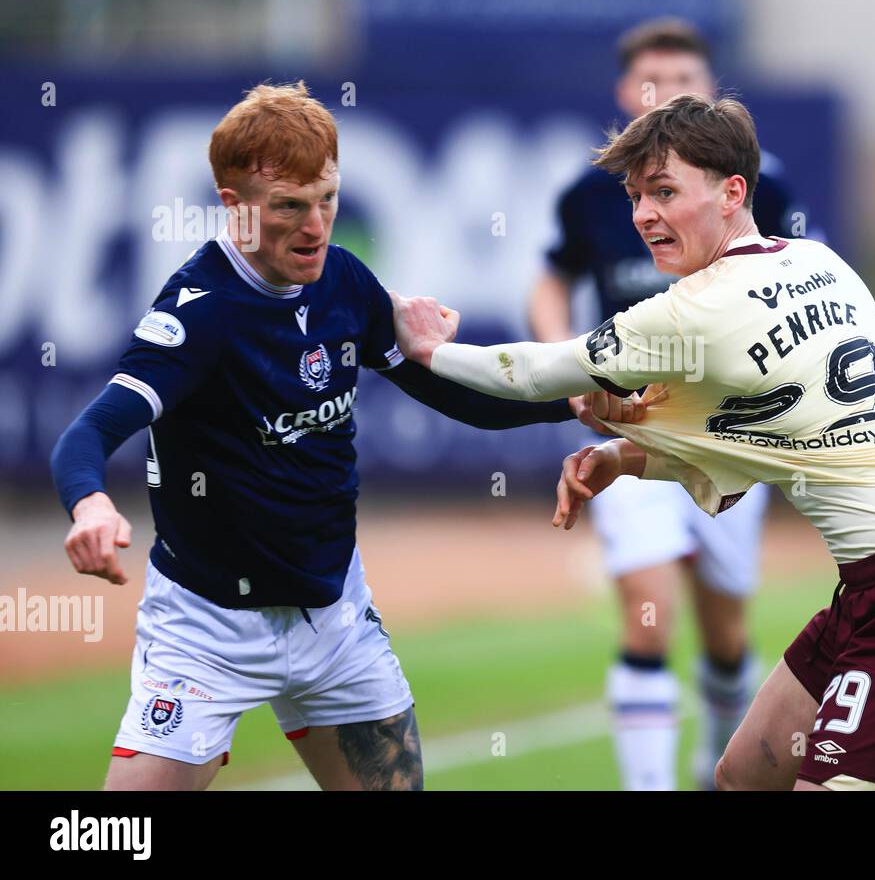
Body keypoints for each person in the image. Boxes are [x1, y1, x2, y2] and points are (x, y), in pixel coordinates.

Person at [391, 93, 875, 790]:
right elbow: (758, 436)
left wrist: (426, 349)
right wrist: (623, 456)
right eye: (635, 196)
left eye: (664, 192)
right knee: (743, 776)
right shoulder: (819, 262)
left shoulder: (697, 310)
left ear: (732, 193)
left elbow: (531, 373)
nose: (642, 215)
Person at [49, 82, 635, 791]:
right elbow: (89, 431)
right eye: (289, 206)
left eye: (327, 198)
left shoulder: (344, 282)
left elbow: (455, 394)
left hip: (335, 621)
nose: (316, 226)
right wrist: (90, 504)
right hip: (207, 631)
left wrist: (572, 400)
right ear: (235, 206)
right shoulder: (198, 315)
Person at [528, 17, 805, 790]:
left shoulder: (764, 186)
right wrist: (564, 362)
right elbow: (551, 278)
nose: (667, 95)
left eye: (683, 80)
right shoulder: (593, 192)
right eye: (651, 82)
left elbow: (798, 286)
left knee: (726, 636)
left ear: (711, 92)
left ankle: (720, 764)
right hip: (633, 425)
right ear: (625, 92)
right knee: (647, 620)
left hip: (731, 431)